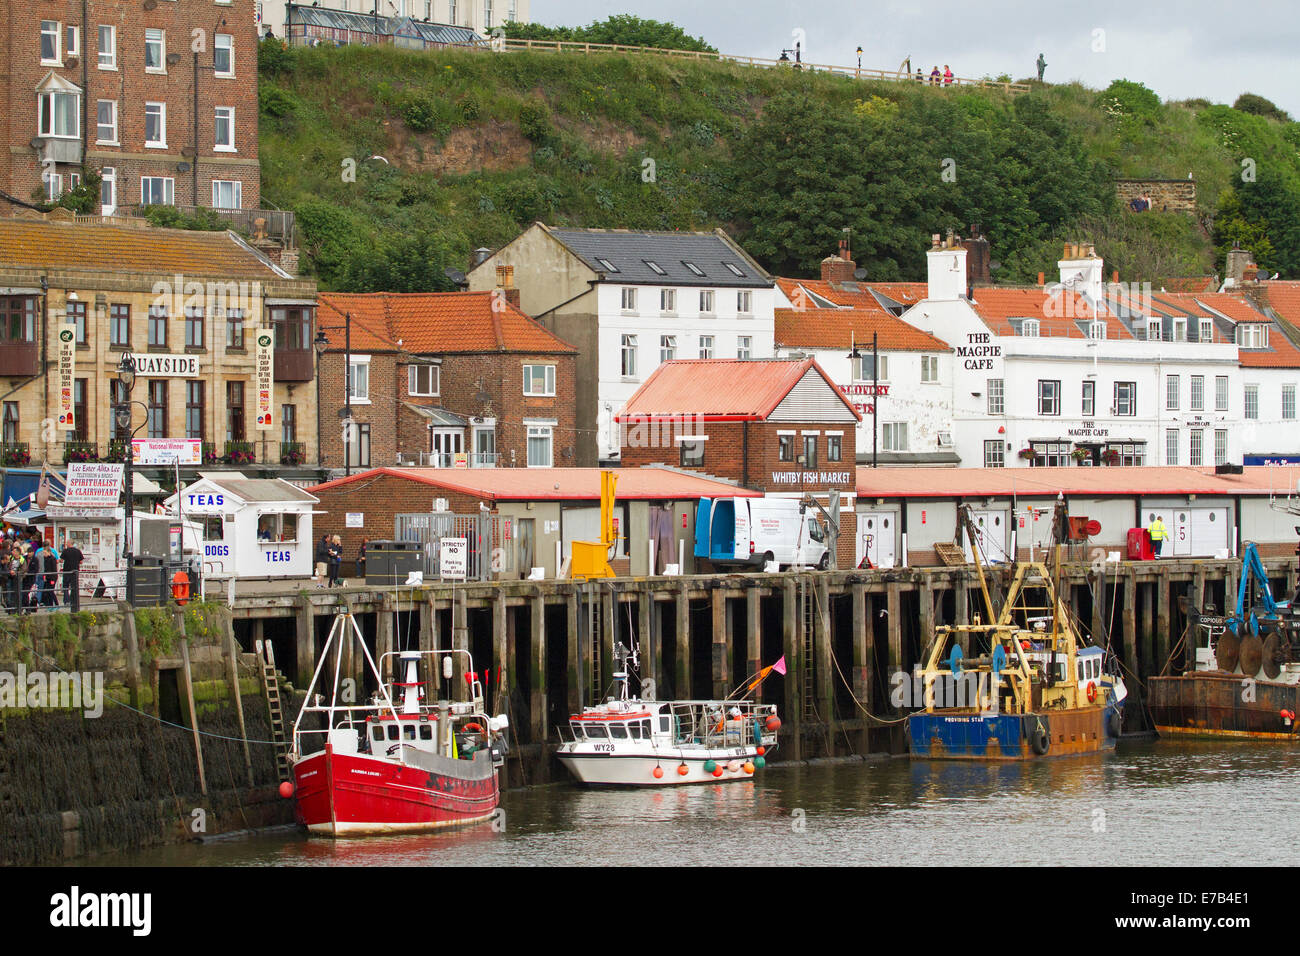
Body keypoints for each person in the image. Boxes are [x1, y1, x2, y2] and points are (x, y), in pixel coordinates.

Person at [61, 538, 84, 611]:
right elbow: (81, 562)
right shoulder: (78, 551)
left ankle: (66, 600)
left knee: (65, 586)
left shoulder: (65, 551)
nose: (66, 544)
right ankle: (73, 601)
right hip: (75, 572)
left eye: (67, 543)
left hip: (67, 571)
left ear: (69, 543)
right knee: (74, 587)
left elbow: (61, 560)